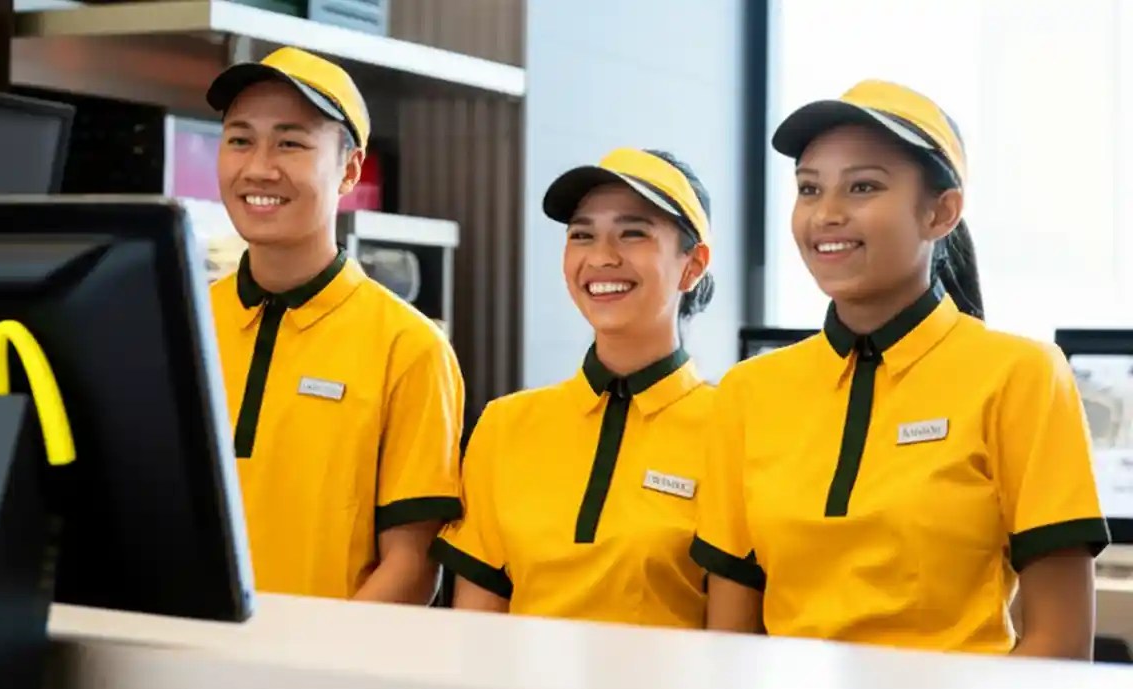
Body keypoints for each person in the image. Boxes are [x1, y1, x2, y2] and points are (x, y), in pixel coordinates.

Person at [693, 79, 1110, 658]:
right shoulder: (747, 391)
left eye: (863, 186)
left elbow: (1059, 645)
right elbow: (728, 646)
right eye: (809, 189)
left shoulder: (1022, 374)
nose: (826, 214)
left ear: (942, 211)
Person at [206, 46, 465, 603]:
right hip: (170, 668)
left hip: (320, 674)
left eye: (291, 143)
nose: (258, 167)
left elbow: (413, 563)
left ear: (349, 170)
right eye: (240, 139)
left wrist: (313, 671)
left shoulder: (410, 347)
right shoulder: (185, 322)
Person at [431, 148, 715, 628]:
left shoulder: (733, 425)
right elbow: (476, 632)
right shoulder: (506, 426)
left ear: (692, 265)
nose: (602, 257)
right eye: (582, 235)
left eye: (633, 233)